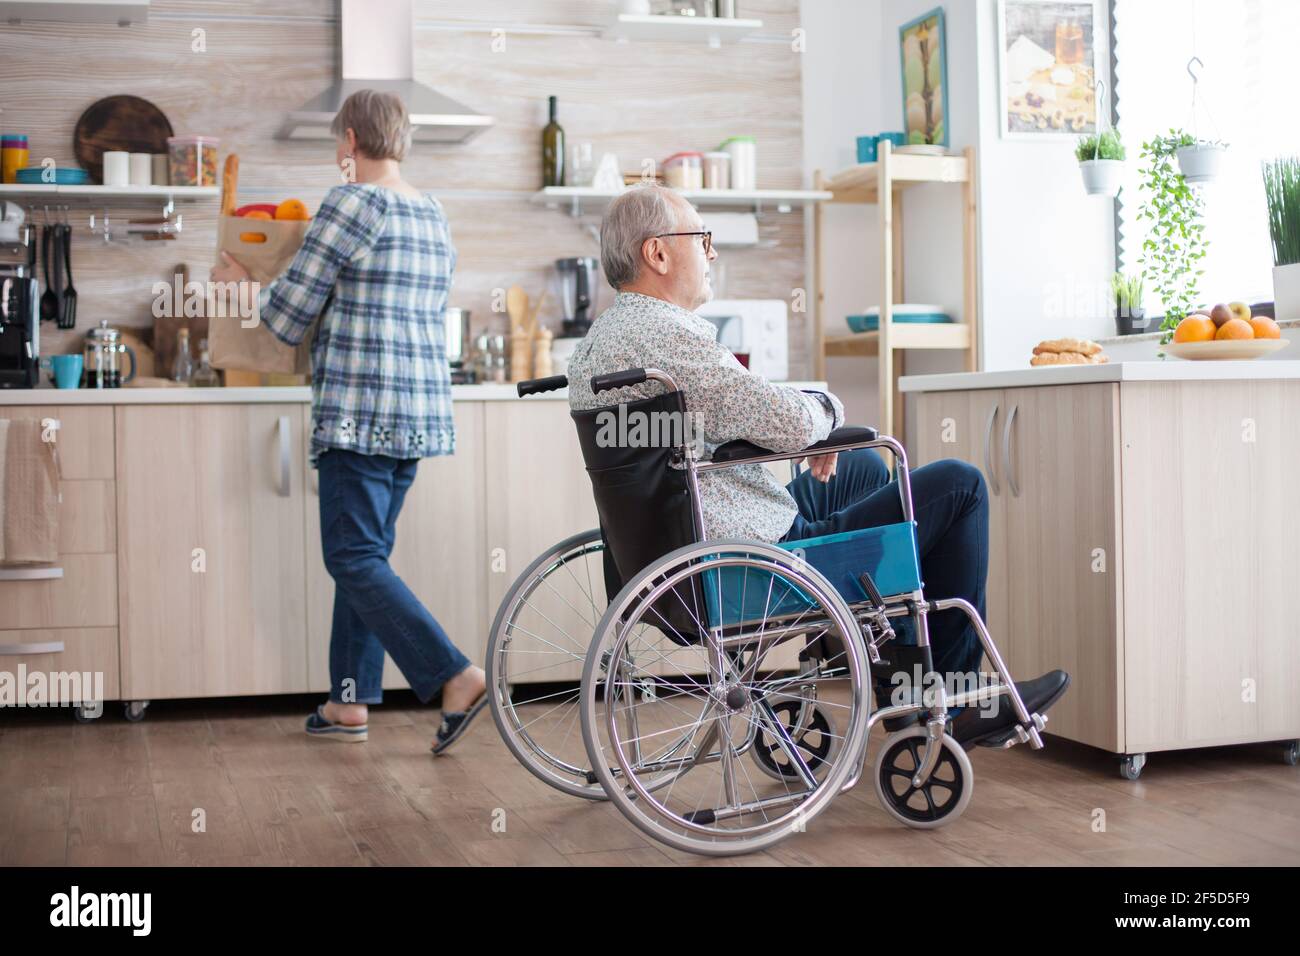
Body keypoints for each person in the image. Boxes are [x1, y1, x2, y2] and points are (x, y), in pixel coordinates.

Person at [566, 184, 1068, 746]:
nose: (711, 253)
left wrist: (806, 423)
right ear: (657, 253)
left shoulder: (604, 339)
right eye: (702, 239)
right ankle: (944, 701)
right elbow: (785, 422)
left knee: (861, 471)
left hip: (688, 541)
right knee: (960, 484)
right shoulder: (670, 337)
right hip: (749, 559)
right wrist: (825, 412)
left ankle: (876, 665)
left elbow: (750, 409)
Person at [211, 89, 486, 754]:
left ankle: (453, 675)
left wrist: (240, 284)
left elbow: (287, 314)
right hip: (417, 416)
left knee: (354, 556)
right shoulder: (433, 212)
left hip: (359, 414)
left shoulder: (350, 202)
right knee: (365, 558)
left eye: (339, 142)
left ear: (351, 143)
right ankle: (349, 699)